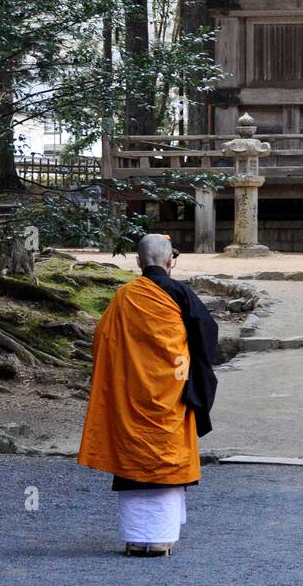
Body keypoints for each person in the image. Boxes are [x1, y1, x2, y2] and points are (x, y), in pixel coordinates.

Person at [78, 233, 219, 556]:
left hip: (131, 397)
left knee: (133, 460)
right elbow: (206, 337)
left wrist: (125, 372)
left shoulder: (125, 296)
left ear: (138, 261)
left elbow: (103, 339)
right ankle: (159, 539)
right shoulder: (181, 294)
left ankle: (135, 538)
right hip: (173, 395)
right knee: (166, 463)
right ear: (170, 260)